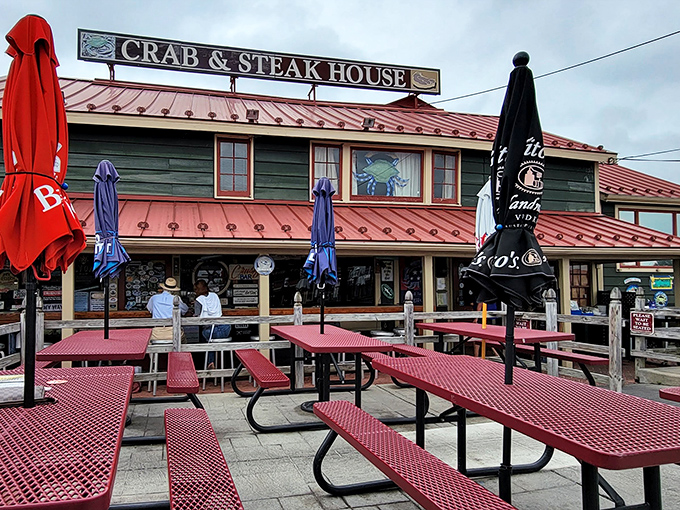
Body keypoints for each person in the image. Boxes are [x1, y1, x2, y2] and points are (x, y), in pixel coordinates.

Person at [194, 279, 230, 369]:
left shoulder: (198, 300)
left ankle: (209, 362)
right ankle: (221, 364)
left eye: (196, 289)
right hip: (225, 328)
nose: (195, 292)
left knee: (208, 339)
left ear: (200, 289)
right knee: (212, 342)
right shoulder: (215, 296)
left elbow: (197, 316)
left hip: (210, 331)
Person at [147, 277, 188, 341]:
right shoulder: (176, 298)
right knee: (183, 341)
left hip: (157, 332)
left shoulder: (154, 298)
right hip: (173, 331)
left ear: (163, 287)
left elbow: (150, 309)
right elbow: (185, 310)